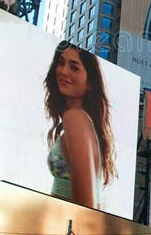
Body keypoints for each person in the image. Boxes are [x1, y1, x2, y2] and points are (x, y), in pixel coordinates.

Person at [45, 41, 117, 209]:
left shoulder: (75, 119)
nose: (63, 71)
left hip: (68, 229)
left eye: (74, 68)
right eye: (61, 63)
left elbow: (86, 207)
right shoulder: (82, 121)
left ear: (90, 83)